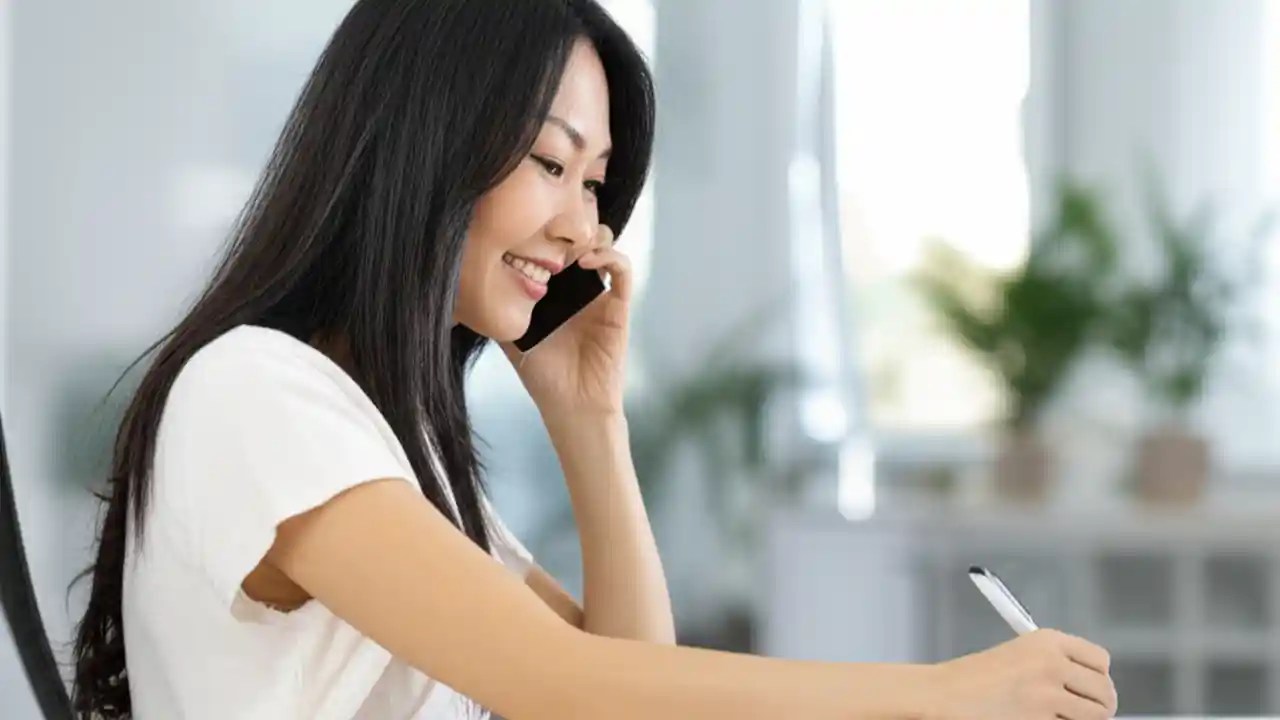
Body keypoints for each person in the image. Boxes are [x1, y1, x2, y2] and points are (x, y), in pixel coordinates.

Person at [68, 0, 1120, 718]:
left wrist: (590, 423)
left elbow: (621, 696)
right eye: (549, 162)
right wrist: (944, 696)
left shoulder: (388, 454)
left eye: (597, 182)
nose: (584, 227)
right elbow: (560, 681)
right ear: (423, 144)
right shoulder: (254, 391)